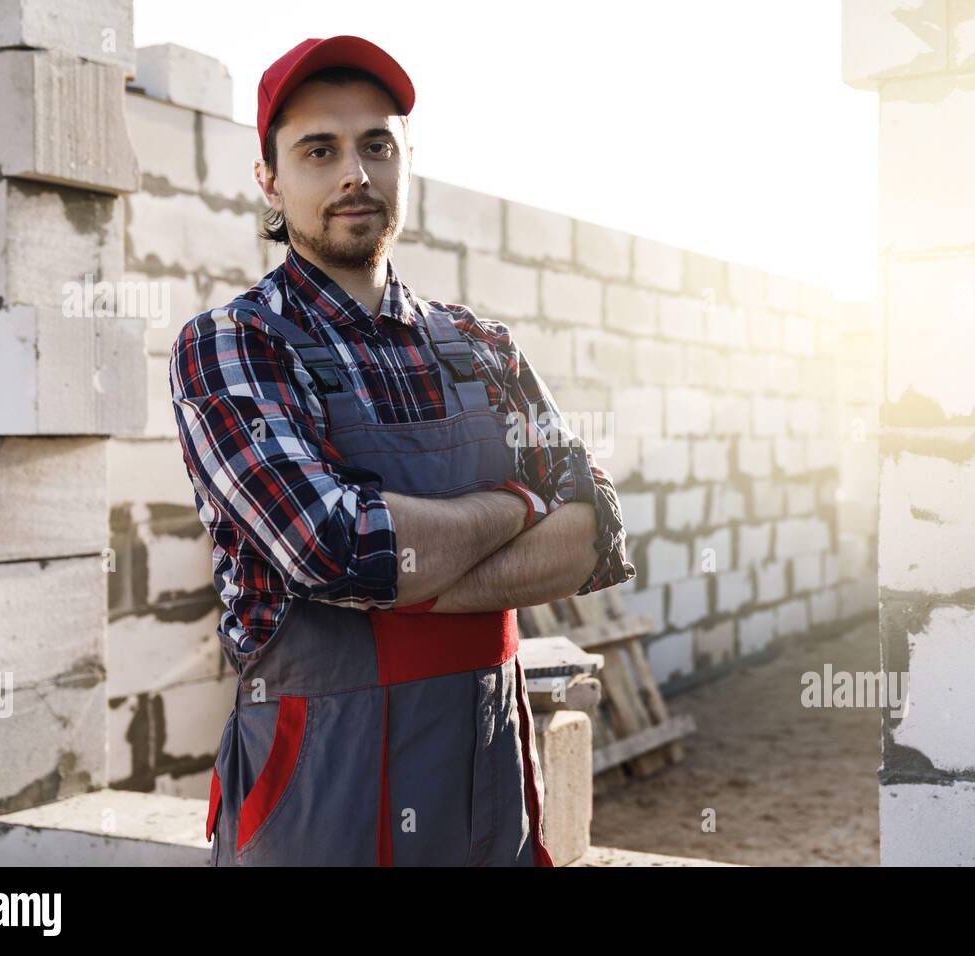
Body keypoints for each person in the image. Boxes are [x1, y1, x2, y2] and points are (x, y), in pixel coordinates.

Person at [168, 35, 635, 866]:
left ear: (406, 162)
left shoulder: (482, 346)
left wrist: (415, 566)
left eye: (377, 145)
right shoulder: (233, 343)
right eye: (320, 150)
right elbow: (337, 549)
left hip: (484, 791)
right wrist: (520, 506)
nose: (356, 173)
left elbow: (595, 531)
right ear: (269, 180)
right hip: (320, 799)